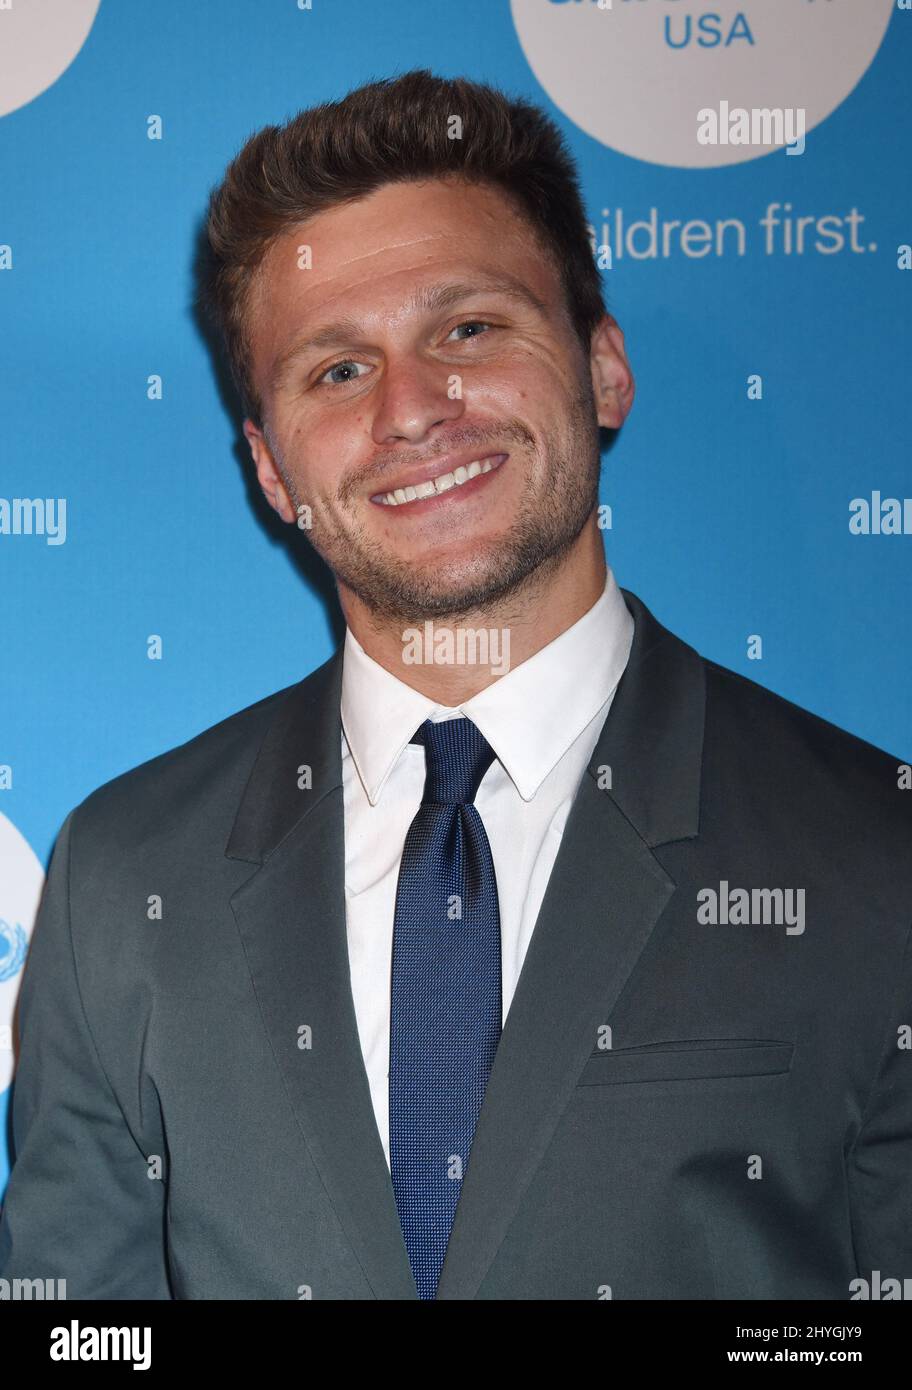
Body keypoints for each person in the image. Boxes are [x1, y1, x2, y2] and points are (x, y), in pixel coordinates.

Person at [1, 69, 910, 1301]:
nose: (414, 410)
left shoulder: (875, 853)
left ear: (601, 370)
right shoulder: (126, 875)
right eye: (335, 370)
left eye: (469, 329)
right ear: (271, 470)